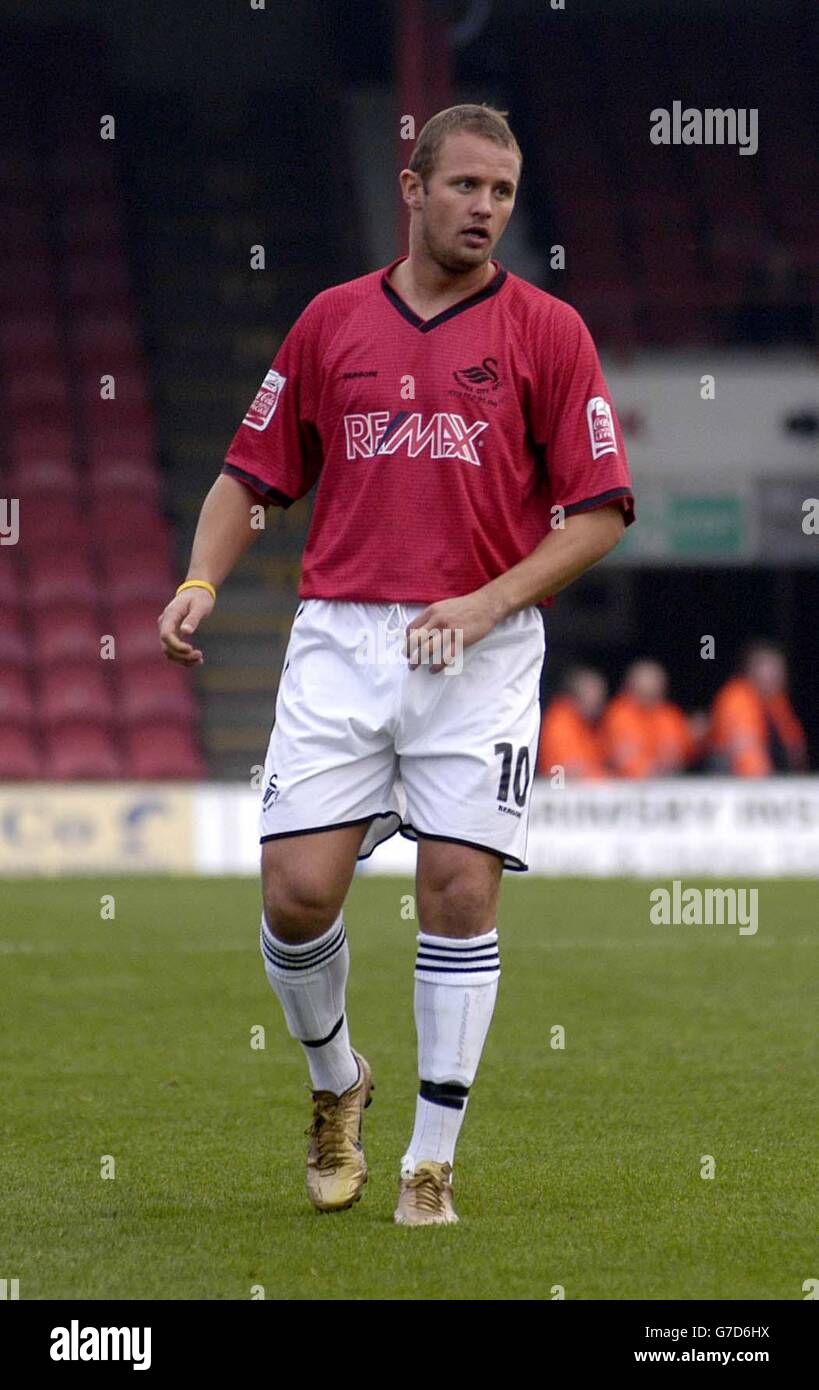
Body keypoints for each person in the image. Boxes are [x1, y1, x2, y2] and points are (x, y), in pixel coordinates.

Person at [158, 104, 635, 1226]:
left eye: (504, 194)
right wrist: (199, 580)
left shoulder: (550, 332)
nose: (486, 210)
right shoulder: (329, 323)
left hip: (482, 645)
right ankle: (339, 1085)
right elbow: (249, 475)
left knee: (458, 891)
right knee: (295, 895)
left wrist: (485, 602)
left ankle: (430, 1161)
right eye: (466, 187)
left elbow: (601, 511)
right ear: (412, 188)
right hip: (342, 640)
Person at [708, 640, 806, 775]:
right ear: (750, 670)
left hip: (777, 782)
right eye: (768, 669)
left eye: (778, 670)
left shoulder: (777, 703)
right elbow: (749, 762)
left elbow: (795, 752)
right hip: (734, 786)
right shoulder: (736, 699)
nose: (775, 675)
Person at [602, 660, 695, 777]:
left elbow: (686, 753)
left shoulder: (670, 714)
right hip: (626, 785)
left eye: (656, 680)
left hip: (669, 782)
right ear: (631, 684)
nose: (653, 685)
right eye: (647, 680)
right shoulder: (618, 714)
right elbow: (625, 760)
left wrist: (698, 737)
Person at [537, 667, 608, 780]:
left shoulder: (586, 724)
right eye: (592, 691)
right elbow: (568, 771)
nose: (599, 698)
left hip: (585, 792)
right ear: (576, 693)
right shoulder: (560, 723)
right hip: (558, 792)